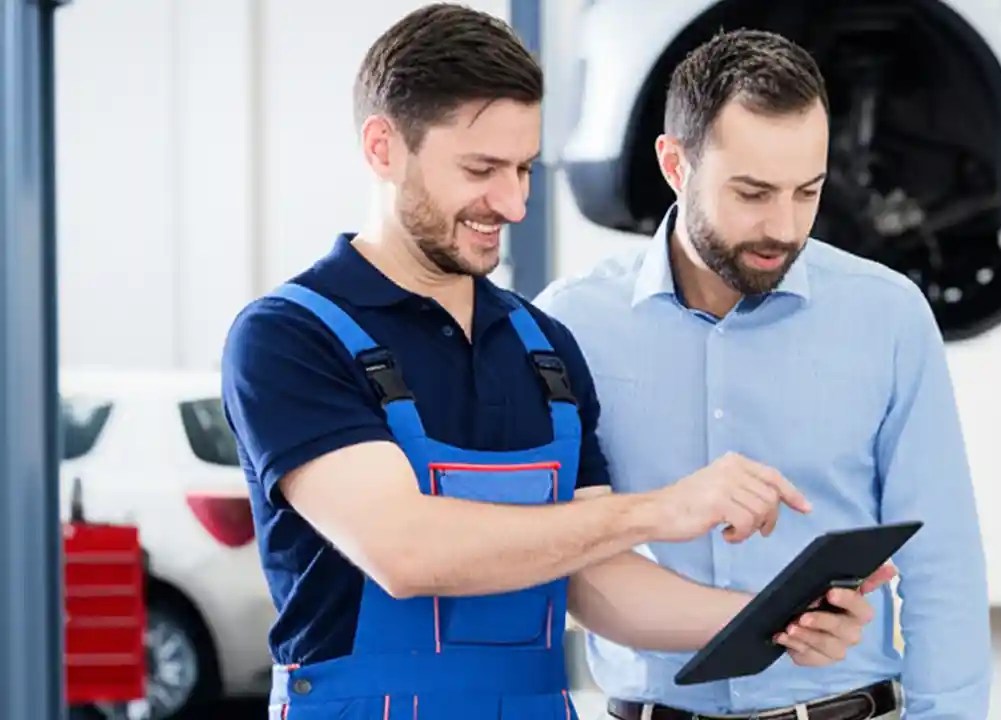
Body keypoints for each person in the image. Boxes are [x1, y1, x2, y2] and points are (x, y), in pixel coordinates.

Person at [220, 7, 889, 720]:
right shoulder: (288, 338)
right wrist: (662, 510)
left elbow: (596, 582)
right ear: (384, 147)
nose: (512, 203)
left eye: (524, 169)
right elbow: (407, 551)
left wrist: (776, 616)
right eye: (481, 169)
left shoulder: (543, 348)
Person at [535, 28, 993, 720]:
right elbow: (553, 548)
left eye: (805, 192)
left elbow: (942, 561)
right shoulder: (570, 325)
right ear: (674, 165)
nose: (783, 227)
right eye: (751, 193)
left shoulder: (887, 315)